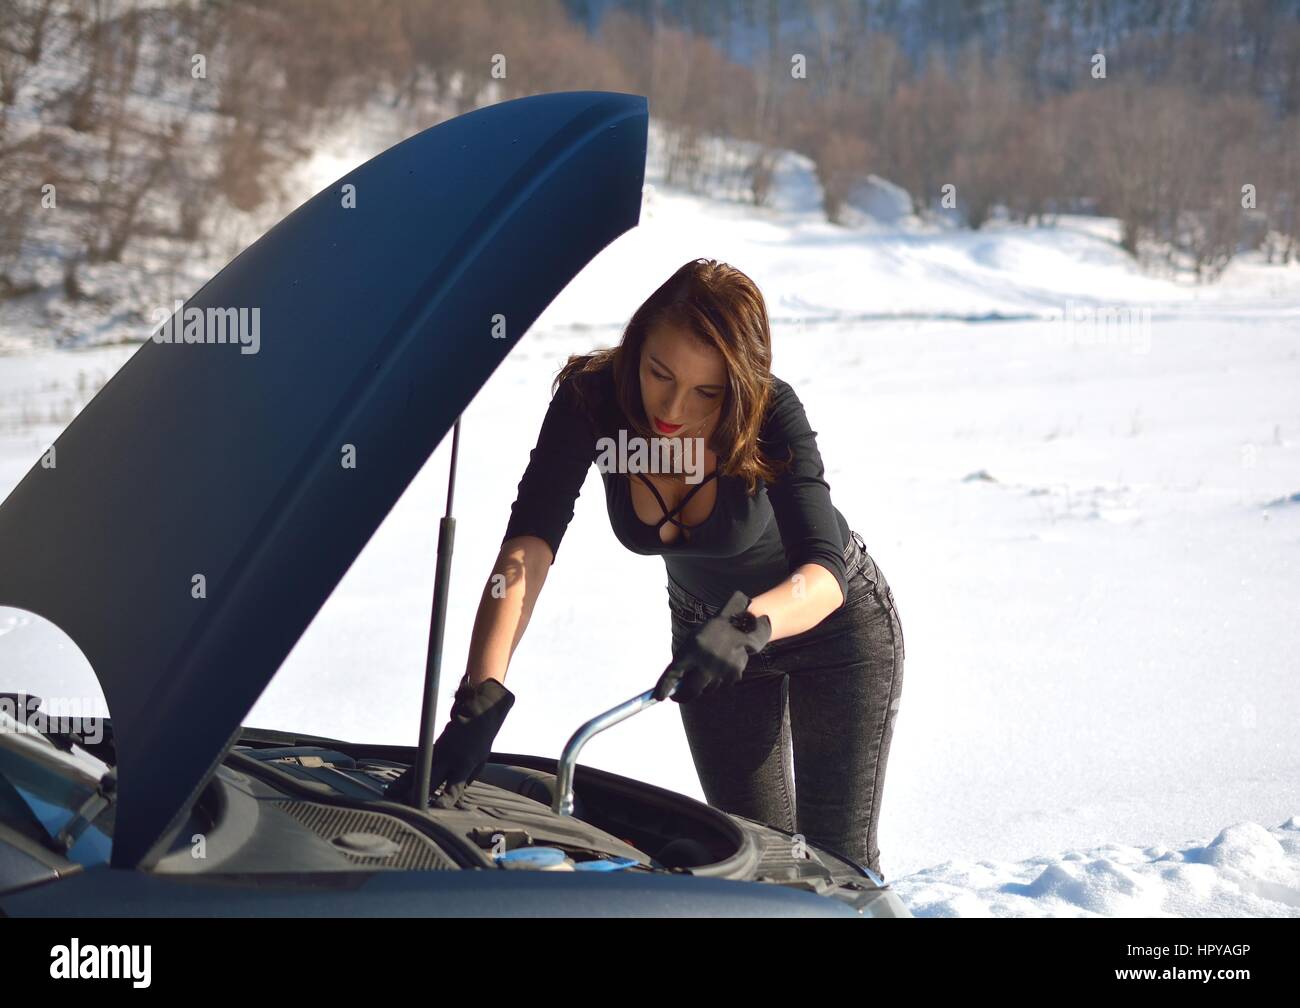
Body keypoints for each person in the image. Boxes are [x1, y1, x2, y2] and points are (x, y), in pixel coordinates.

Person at [386, 258, 906, 879]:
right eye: (659, 373)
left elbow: (824, 575)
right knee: (756, 866)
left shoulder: (770, 415)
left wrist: (748, 625)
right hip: (706, 636)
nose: (673, 407)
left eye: (707, 393)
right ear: (635, 346)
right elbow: (528, 547)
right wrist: (481, 694)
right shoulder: (592, 400)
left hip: (832, 633)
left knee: (836, 868)